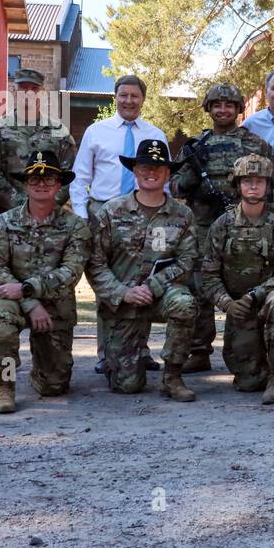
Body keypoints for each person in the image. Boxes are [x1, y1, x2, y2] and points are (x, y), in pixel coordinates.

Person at [171, 83, 274, 373]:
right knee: (200, 286)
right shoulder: (195, 147)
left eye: (229, 105)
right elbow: (174, 185)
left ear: (239, 109)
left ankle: (256, 346)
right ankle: (199, 349)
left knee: (250, 282)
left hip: (247, 226)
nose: (222, 110)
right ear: (208, 108)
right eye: (217, 105)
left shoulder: (256, 145)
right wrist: (192, 179)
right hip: (204, 225)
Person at [85, 139, 198, 402]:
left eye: (158, 168)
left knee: (184, 303)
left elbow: (188, 259)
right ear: (134, 170)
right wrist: (123, 292)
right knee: (127, 385)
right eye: (145, 166)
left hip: (162, 296)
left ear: (167, 173)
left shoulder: (182, 215)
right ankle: (124, 362)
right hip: (123, 301)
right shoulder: (111, 212)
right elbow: (95, 262)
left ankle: (172, 376)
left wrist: (152, 286)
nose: (151, 172)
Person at [70, 74, 168, 373]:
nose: (128, 101)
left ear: (143, 99)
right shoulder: (96, 132)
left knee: (145, 278)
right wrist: (82, 216)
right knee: (107, 282)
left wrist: (164, 213)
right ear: (115, 98)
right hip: (104, 213)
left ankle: (141, 350)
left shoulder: (155, 134)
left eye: (134, 96)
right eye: (123, 95)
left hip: (146, 210)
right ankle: (105, 352)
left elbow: (165, 179)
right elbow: (80, 177)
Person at [0, 151, 91, 413]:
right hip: (13, 299)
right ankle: (4, 386)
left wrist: (29, 288)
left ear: (59, 185)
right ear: (25, 184)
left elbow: (71, 271)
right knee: (3, 323)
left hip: (55, 303)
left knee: (54, 386)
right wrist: (29, 300)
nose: (41, 184)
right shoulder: (4, 223)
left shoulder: (74, 225)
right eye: (34, 179)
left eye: (49, 179)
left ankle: (41, 372)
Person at [199, 155, 274, 404]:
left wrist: (255, 294)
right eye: (247, 181)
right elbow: (209, 276)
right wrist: (228, 304)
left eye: (259, 181)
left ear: (269, 186)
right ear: (238, 185)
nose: (253, 186)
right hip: (240, 308)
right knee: (248, 383)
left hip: (271, 300)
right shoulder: (222, 225)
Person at [0, 67, 75, 231]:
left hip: (48, 219)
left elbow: (69, 174)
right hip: (4, 218)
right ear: (14, 91)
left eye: (34, 88)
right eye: (23, 88)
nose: (29, 93)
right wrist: (21, 204)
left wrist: (46, 204)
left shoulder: (59, 132)